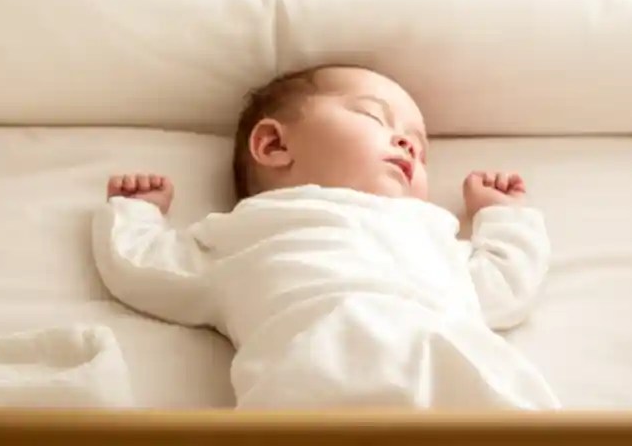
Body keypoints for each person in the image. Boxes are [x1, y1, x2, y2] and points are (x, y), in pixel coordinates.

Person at [97, 65, 558, 408]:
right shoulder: (246, 232)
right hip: (318, 383)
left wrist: (500, 217)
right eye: (376, 118)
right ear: (275, 146)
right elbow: (148, 270)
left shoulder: (428, 229)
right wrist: (136, 213)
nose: (408, 145)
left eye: (419, 145)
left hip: (455, 375)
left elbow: (502, 287)